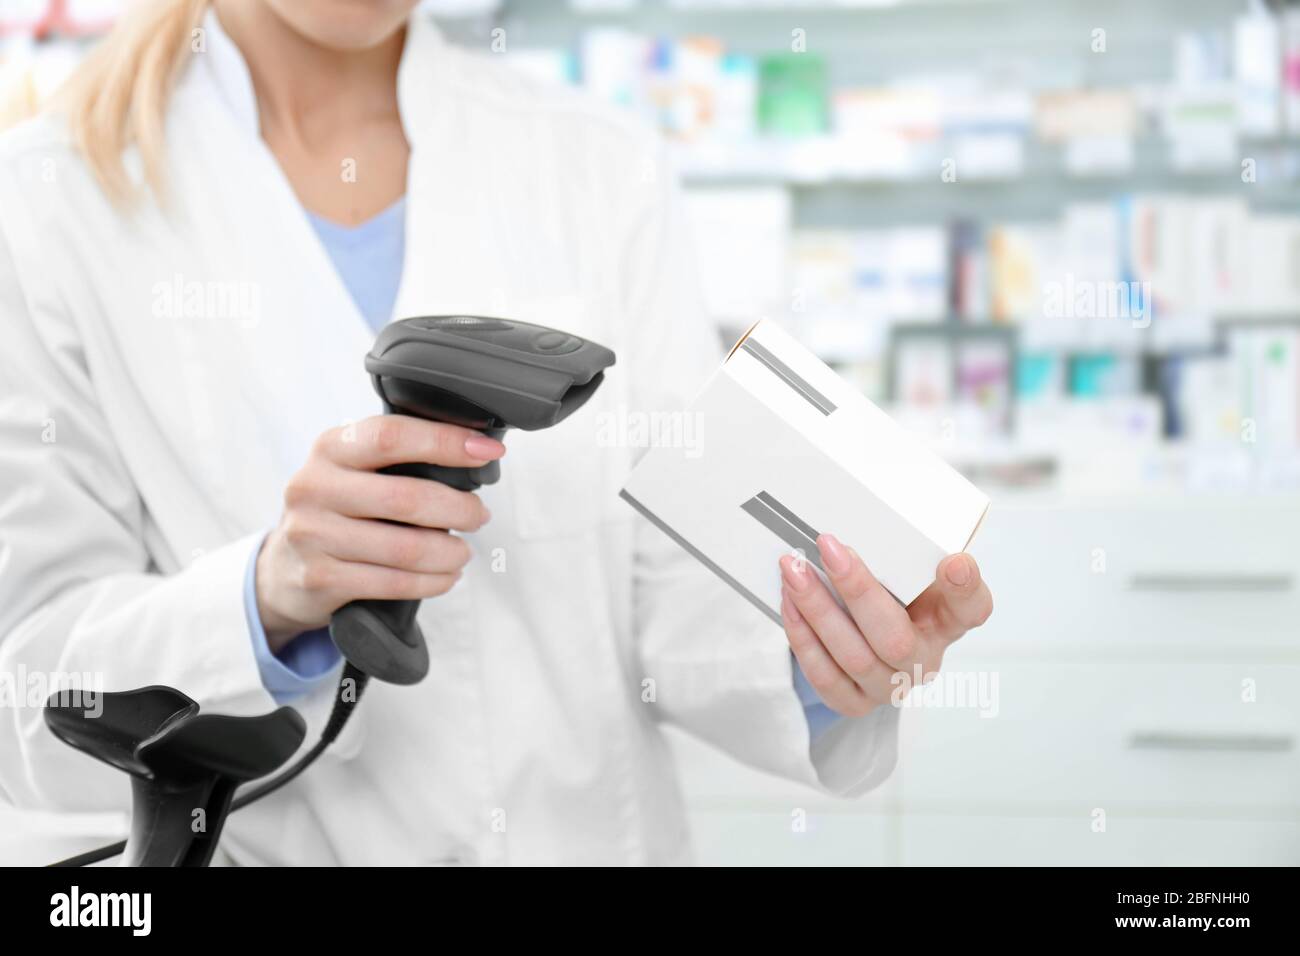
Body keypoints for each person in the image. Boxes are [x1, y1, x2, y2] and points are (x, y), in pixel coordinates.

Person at [0, 0, 993, 865]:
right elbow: (28, 696)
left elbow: (677, 597)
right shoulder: (48, 203)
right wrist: (267, 597)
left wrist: (828, 646)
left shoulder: (597, 165)